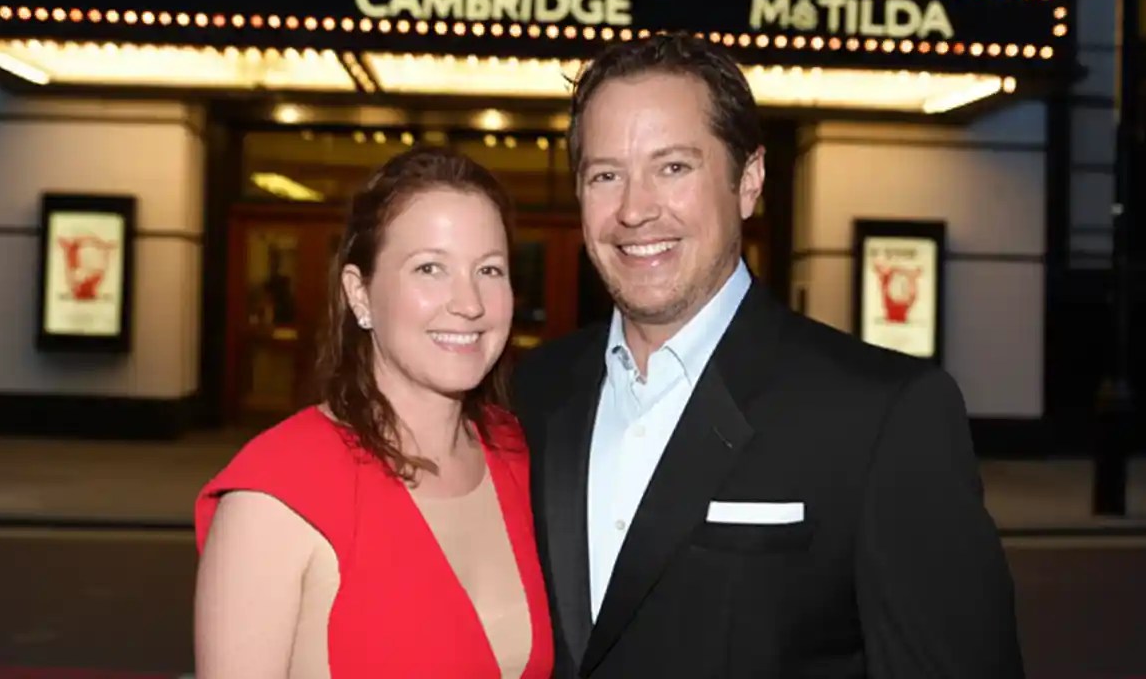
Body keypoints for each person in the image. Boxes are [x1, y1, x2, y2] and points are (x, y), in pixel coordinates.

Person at [511, 33, 1024, 678]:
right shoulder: (534, 392)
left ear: (747, 181)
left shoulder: (882, 415)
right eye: (606, 175)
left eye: (673, 168)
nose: (635, 209)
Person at [195, 147, 554, 678]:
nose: (470, 302)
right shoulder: (276, 496)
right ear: (359, 294)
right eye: (430, 268)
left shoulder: (523, 456)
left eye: (490, 269)